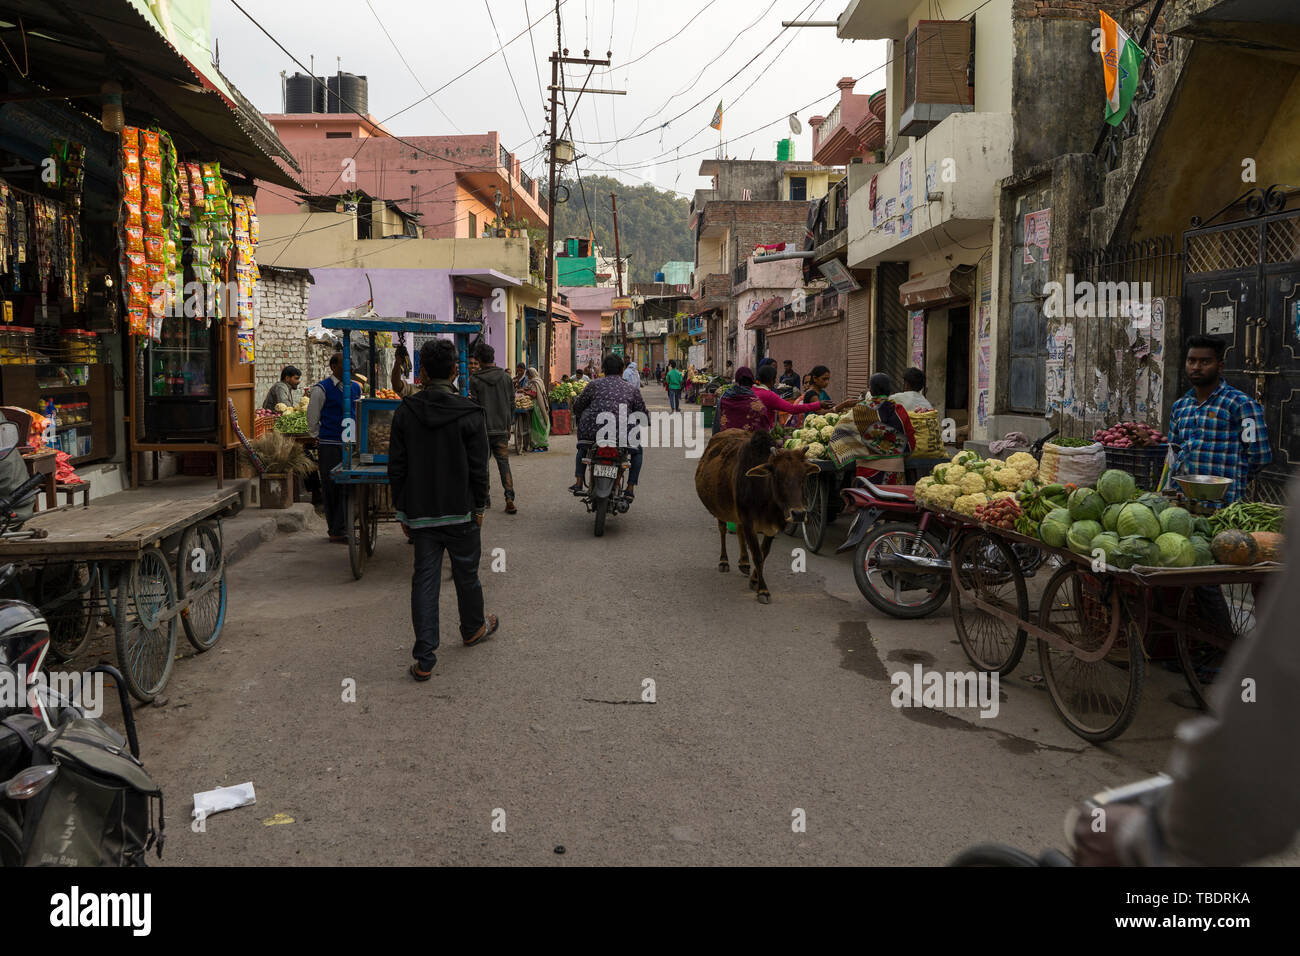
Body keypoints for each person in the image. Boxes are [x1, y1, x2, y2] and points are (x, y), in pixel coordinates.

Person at [388, 338, 498, 681]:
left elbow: (397, 468)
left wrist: (403, 512)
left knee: (424, 579)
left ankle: (424, 659)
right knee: (467, 573)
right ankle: (473, 628)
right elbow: (479, 467)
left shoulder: (406, 412)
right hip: (461, 511)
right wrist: (479, 505)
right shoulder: (469, 412)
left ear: (421, 373)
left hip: (421, 513)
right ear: (455, 371)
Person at [1166, 334, 1271, 504]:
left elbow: (1260, 456)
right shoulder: (1180, 406)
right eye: (1191, 361)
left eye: (1205, 362)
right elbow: (1175, 451)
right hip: (1184, 504)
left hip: (1224, 506)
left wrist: (1235, 480)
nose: (1196, 367)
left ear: (1220, 366)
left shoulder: (1240, 405)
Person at [569, 353, 648, 499]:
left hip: (593, 432)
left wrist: (582, 413)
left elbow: (578, 406)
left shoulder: (593, 385)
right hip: (623, 434)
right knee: (637, 452)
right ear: (621, 369)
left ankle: (579, 481)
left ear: (604, 369)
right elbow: (642, 413)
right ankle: (630, 488)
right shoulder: (631, 389)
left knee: (583, 447)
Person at [306, 352, 362, 543]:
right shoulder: (321, 389)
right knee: (331, 487)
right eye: (346, 364)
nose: (351, 368)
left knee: (349, 487)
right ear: (333, 367)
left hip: (351, 445)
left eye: (352, 364)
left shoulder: (355, 388)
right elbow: (312, 419)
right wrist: (319, 437)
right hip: (330, 444)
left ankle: (344, 525)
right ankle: (336, 530)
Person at [469, 343, 517, 515]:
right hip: (502, 429)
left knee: (483, 465)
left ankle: (485, 498)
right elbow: (512, 403)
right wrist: (509, 424)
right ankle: (509, 497)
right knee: (504, 464)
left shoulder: (474, 380)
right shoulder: (506, 378)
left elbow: (473, 406)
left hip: (483, 430)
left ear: (480, 360)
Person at [715, 365, 830, 433]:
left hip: (731, 434)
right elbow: (792, 409)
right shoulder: (768, 395)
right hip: (756, 437)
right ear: (772, 380)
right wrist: (819, 404)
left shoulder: (734, 394)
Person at [524, 366, 550, 451]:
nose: (528, 377)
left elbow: (534, 394)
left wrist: (525, 392)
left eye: (528, 376)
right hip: (542, 404)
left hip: (537, 406)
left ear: (531, 375)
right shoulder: (539, 380)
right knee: (541, 425)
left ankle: (539, 445)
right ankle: (543, 444)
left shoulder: (534, 382)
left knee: (537, 425)